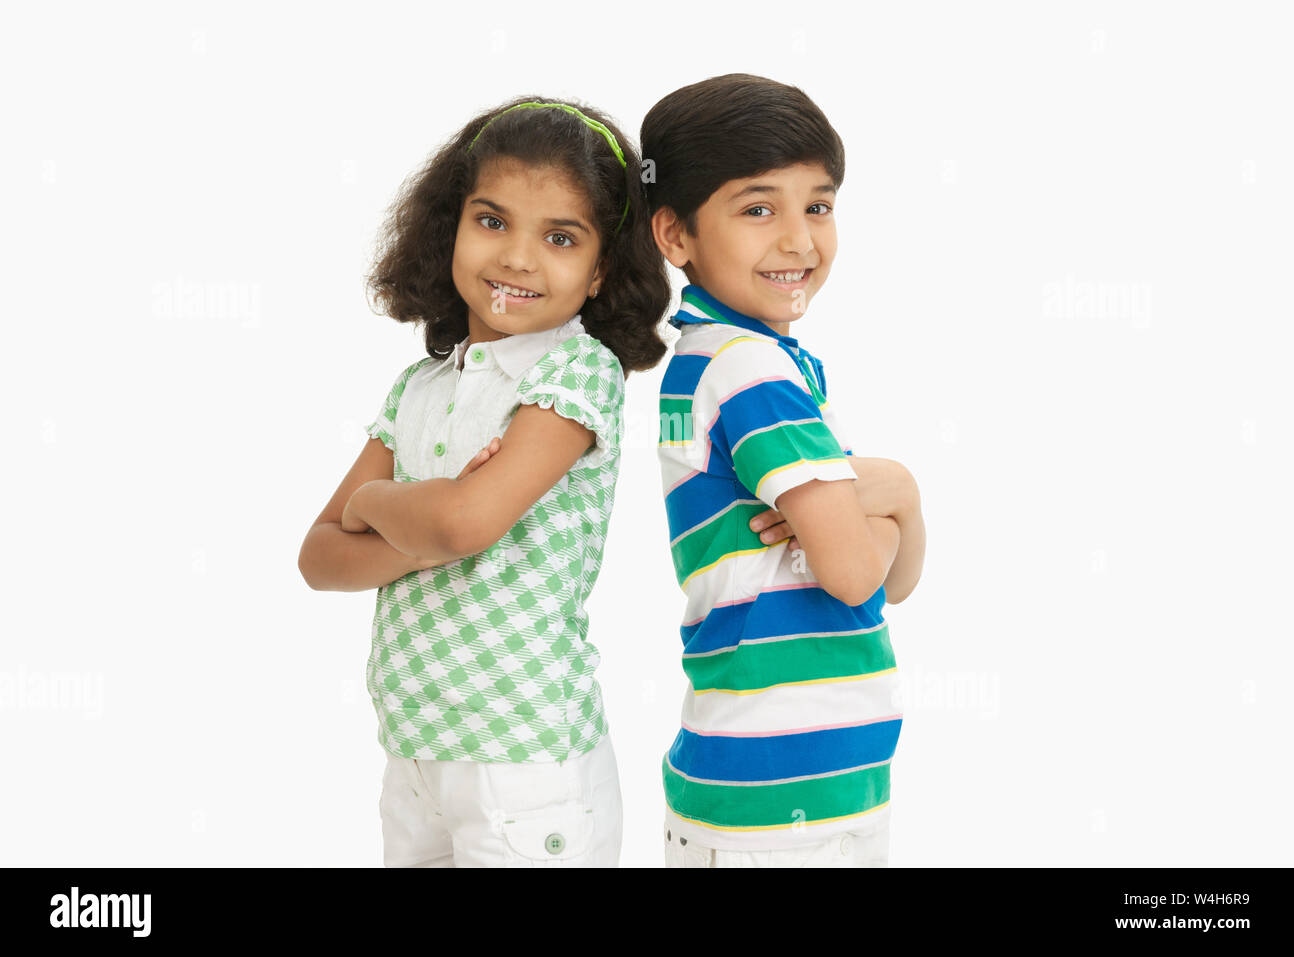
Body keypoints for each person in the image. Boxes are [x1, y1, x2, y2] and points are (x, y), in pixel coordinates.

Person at [298, 97, 669, 866]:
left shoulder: (576, 370)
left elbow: (464, 524)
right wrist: (429, 522)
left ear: (600, 269)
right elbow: (318, 557)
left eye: (560, 237)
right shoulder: (417, 387)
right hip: (413, 750)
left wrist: (375, 505)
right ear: (451, 226)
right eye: (492, 221)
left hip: (524, 759)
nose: (517, 258)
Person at [641, 73, 926, 867]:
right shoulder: (748, 370)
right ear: (676, 235)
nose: (800, 240)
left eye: (819, 205)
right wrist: (897, 486)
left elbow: (893, 580)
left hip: (792, 789)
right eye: (758, 208)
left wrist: (864, 512)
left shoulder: (730, 361)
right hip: (785, 806)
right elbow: (857, 576)